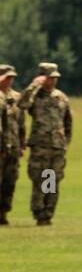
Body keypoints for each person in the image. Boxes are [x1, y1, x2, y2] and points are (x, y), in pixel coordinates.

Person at [18, 62, 72, 226]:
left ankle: (48, 213)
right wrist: (33, 86)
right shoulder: (35, 96)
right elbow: (22, 104)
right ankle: (39, 212)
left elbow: (68, 121)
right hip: (40, 146)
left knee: (53, 180)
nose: (53, 81)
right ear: (42, 78)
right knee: (40, 179)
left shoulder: (61, 97)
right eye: (50, 78)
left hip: (57, 147)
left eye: (55, 78)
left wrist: (65, 142)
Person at [0, 65, 22, 226]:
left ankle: (3, 214)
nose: (10, 80)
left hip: (13, 147)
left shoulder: (16, 97)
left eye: (12, 77)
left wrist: (21, 144)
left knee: (10, 181)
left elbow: (20, 124)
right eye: (7, 77)